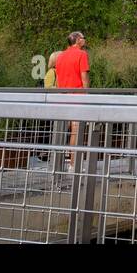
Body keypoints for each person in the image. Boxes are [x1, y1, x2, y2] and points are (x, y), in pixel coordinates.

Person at [55, 32, 90, 173]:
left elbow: (58, 77)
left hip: (63, 96)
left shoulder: (60, 56)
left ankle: (59, 165)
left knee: (64, 130)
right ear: (76, 40)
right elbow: (84, 77)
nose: (85, 39)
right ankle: (73, 165)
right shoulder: (82, 54)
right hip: (78, 96)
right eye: (83, 37)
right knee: (76, 131)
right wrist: (88, 95)